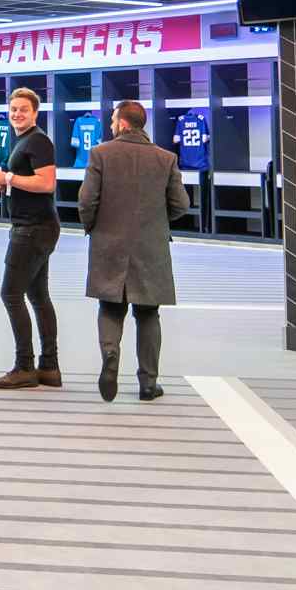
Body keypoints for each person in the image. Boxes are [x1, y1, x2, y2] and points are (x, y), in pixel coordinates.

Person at [77, 97, 192, 403]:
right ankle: (148, 384)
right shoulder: (166, 158)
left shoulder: (100, 154)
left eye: (113, 120)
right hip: (150, 246)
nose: (111, 125)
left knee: (110, 307)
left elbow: (86, 201)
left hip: (109, 243)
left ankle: (110, 355)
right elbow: (181, 205)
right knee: (148, 313)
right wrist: (156, 221)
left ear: (123, 123)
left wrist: (94, 228)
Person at [0, 85, 62, 390]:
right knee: (38, 296)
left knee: (11, 294)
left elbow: (47, 183)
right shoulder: (24, 140)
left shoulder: (38, 140)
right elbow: (29, 181)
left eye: (23, 110)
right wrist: (6, 185)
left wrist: (9, 178)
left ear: (35, 113)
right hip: (34, 226)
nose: (17, 114)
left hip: (32, 228)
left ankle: (25, 366)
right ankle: (49, 367)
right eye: (13, 109)